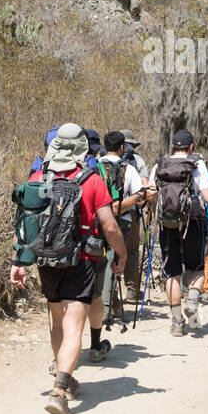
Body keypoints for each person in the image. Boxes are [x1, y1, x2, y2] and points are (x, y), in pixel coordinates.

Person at [10, 125, 126, 414]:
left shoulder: (38, 177)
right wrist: (121, 254)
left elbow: (24, 224)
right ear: (81, 150)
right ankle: (60, 391)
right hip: (82, 259)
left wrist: (18, 262)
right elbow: (110, 226)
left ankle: (64, 376)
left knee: (56, 320)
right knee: (74, 325)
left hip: (46, 261)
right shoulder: (92, 180)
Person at [89, 133, 156, 362]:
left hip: (98, 221)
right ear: (120, 147)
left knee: (104, 260)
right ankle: (109, 308)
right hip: (124, 222)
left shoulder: (95, 166)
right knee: (119, 259)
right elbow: (140, 196)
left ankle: (106, 306)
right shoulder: (130, 168)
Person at [149, 130, 208, 337]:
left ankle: (177, 322)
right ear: (191, 147)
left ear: (172, 146)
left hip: (167, 224)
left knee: (172, 273)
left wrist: (157, 213)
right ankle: (192, 303)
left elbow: (151, 194)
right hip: (194, 223)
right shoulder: (197, 165)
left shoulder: (160, 165)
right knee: (196, 268)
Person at [120, 131, 150, 306]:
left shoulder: (103, 159)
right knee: (131, 251)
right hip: (131, 211)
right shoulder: (137, 161)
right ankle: (132, 291)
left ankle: (110, 295)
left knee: (111, 251)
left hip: (109, 210)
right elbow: (144, 187)